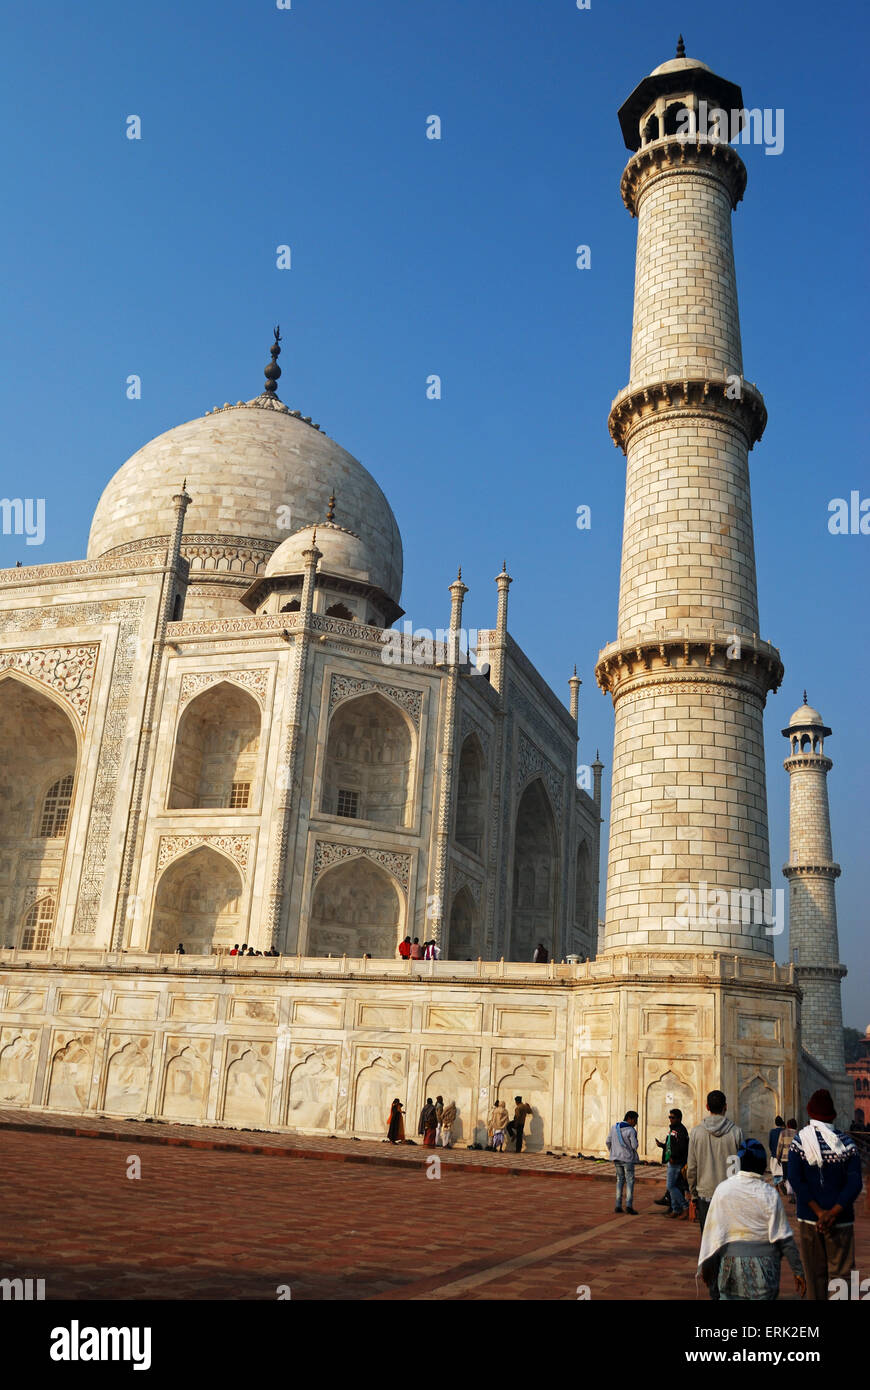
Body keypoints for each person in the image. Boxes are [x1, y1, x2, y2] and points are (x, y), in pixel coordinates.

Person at [698, 1139, 806, 1302]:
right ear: (762, 1166)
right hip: (764, 1270)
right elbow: (784, 1238)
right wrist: (798, 1270)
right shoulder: (769, 1193)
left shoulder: (723, 1190)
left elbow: (713, 1235)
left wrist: (707, 1265)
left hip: (730, 1268)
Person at [787, 1089, 863, 1301]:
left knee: (814, 1276)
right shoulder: (846, 1143)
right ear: (833, 1115)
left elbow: (795, 1179)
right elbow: (855, 1182)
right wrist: (834, 1212)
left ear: (809, 1112)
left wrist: (820, 1212)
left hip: (810, 1219)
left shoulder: (800, 1142)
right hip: (841, 1220)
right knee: (842, 1276)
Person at [687, 1090, 744, 1240]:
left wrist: (693, 1195)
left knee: (708, 1242)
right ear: (726, 1107)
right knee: (728, 1240)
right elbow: (740, 1167)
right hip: (730, 1194)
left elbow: (691, 1168)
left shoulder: (696, 1133)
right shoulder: (736, 1133)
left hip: (705, 1193)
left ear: (707, 1106)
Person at [655, 1108, 690, 1218]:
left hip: (676, 1162)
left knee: (670, 1186)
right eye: (669, 1117)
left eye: (673, 1117)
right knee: (673, 1186)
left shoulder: (681, 1130)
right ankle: (676, 1209)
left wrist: (673, 1157)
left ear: (679, 1118)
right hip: (672, 1161)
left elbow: (682, 1147)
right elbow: (671, 1145)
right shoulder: (672, 1129)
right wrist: (662, 1145)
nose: (670, 1119)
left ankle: (685, 1206)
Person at [606, 1110, 639, 1214]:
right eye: (635, 1120)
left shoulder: (614, 1128)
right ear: (630, 1119)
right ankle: (629, 1205)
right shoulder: (631, 1130)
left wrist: (614, 1151)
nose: (636, 1123)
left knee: (619, 1180)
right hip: (627, 1159)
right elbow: (634, 1146)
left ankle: (618, 1205)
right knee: (629, 1182)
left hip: (616, 1158)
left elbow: (608, 1142)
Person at [776, 1118, 798, 1200]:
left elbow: (780, 1145)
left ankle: (782, 1182)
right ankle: (792, 1197)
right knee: (794, 1177)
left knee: (786, 1176)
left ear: (788, 1125)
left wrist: (778, 1157)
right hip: (795, 1159)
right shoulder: (797, 1133)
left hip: (785, 1158)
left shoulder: (783, 1133)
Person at [768, 1114, 786, 1184]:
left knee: (776, 1176)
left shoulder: (772, 1132)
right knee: (782, 1176)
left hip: (774, 1156)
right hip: (783, 1157)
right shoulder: (784, 1131)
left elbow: (770, 1144)